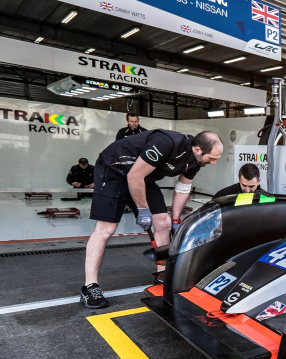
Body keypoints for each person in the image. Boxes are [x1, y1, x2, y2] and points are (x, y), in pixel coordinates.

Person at [81, 129, 223, 309]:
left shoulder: (195, 161)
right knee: (107, 228)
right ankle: (90, 286)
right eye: (212, 158)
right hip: (114, 170)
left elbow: (182, 188)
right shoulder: (165, 143)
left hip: (142, 176)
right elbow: (134, 176)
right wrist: (143, 210)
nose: (214, 162)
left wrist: (176, 219)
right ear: (197, 149)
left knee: (163, 223)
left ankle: (162, 277)